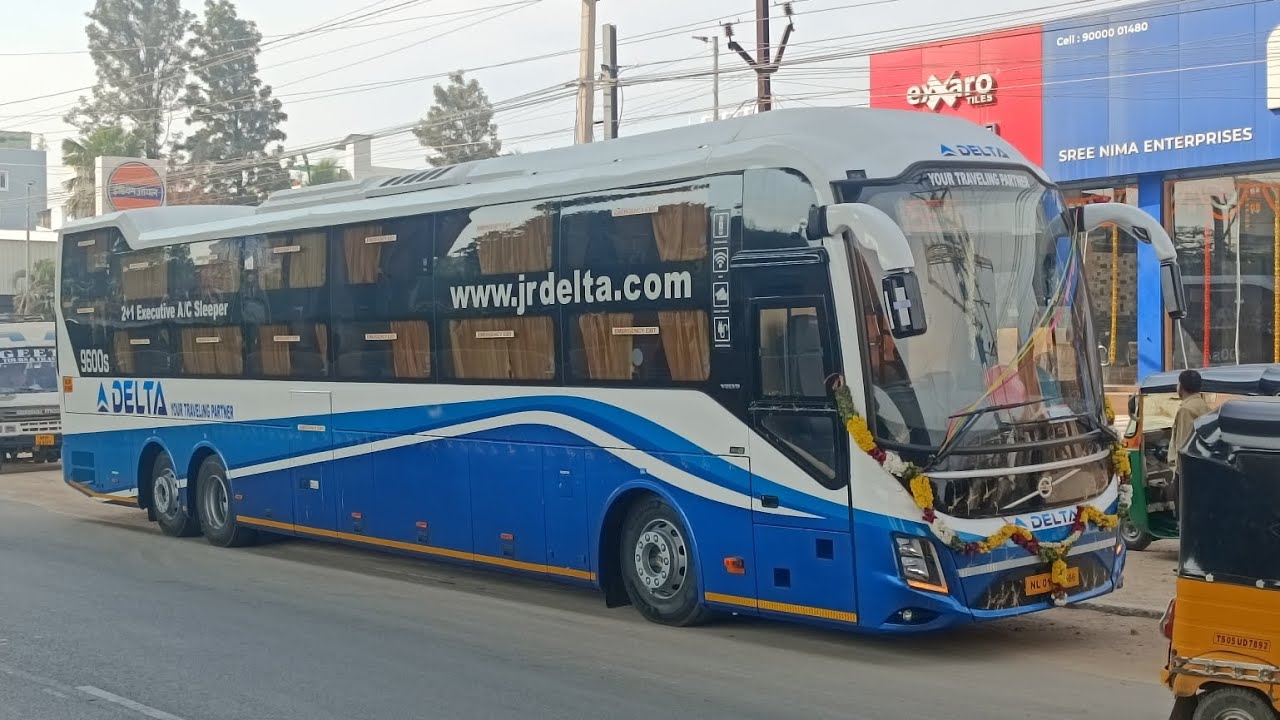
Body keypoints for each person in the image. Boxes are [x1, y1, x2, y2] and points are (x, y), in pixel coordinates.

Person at [1168, 369, 1210, 477]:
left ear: (1181, 387)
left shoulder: (1186, 410)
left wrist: (1177, 474)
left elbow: (1183, 446)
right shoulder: (1204, 406)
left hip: (1185, 473)